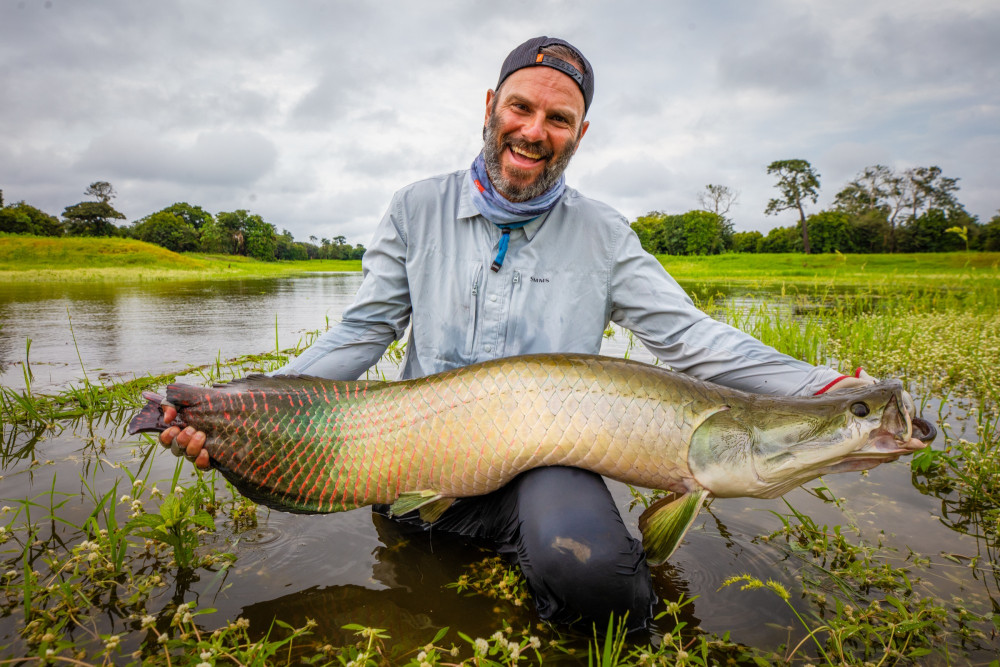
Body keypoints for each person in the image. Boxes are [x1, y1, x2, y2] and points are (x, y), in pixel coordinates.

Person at [160, 36, 881, 629]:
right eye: (522, 108)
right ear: (491, 107)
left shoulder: (604, 233)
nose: (535, 131)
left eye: (558, 120)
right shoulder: (415, 208)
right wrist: (240, 399)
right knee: (409, 551)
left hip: (543, 473)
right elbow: (362, 330)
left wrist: (824, 389)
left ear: (580, 134)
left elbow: (694, 339)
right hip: (418, 454)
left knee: (600, 585)